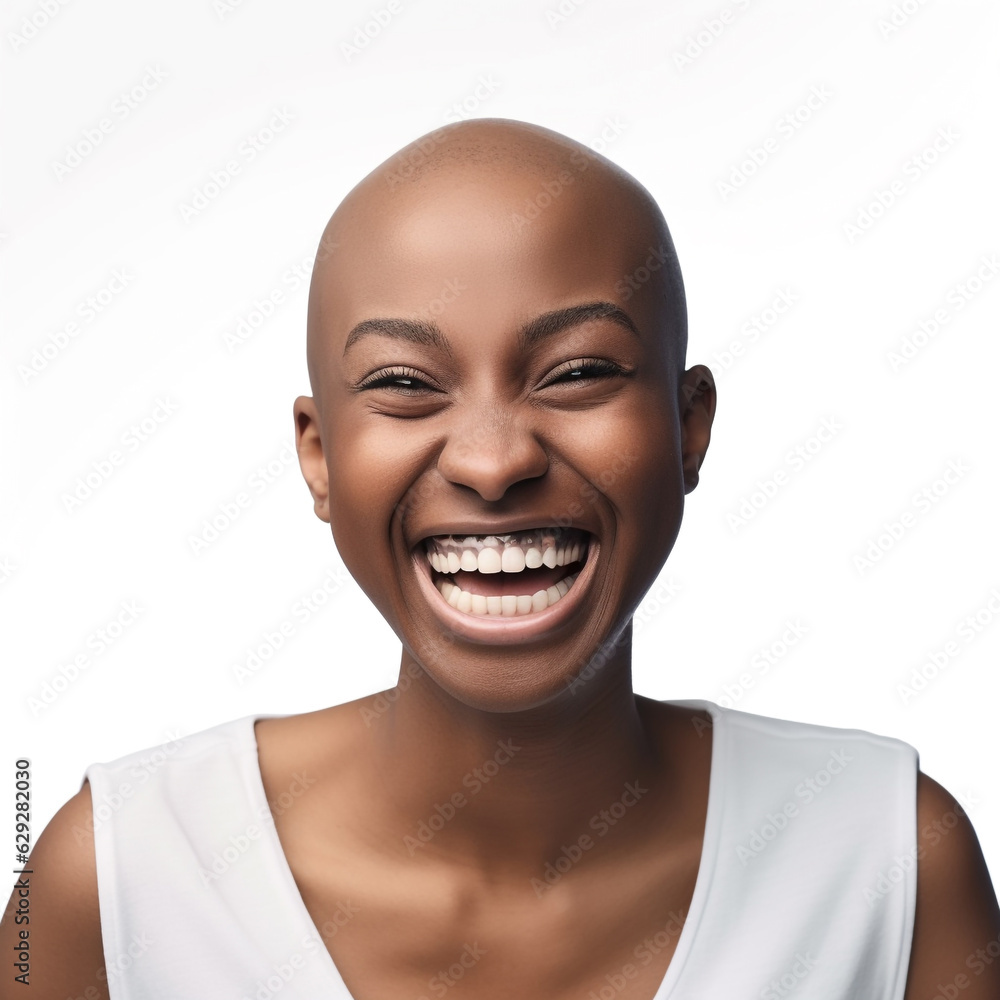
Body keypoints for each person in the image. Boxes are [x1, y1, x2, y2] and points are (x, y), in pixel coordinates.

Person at [3, 118, 998, 999]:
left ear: (687, 426)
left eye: (575, 373)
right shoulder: (121, 876)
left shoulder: (888, 857)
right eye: (403, 383)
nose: (492, 459)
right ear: (319, 453)